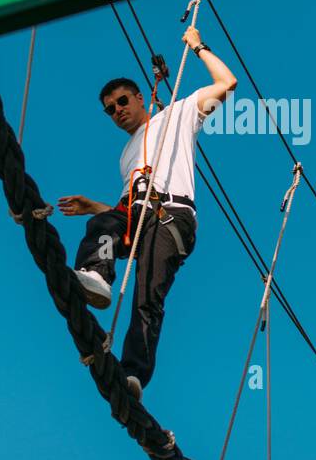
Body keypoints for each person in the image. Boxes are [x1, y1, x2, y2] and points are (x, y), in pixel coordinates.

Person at [59, 27, 237, 401]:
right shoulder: (126, 155)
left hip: (172, 216)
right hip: (139, 214)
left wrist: (198, 46)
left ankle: (133, 375)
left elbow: (227, 82)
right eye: (110, 110)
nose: (117, 111)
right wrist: (96, 206)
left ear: (140, 97)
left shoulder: (179, 114)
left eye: (122, 101)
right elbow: (127, 216)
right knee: (103, 222)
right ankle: (96, 275)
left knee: (146, 297)